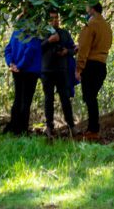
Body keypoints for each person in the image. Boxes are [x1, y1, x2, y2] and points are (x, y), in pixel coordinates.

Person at [75, 1, 113, 140]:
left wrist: (79, 68)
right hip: (102, 65)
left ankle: (93, 129)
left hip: (90, 65)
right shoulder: (107, 26)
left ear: (91, 9)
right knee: (92, 97)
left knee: (89, 97)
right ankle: (93, 128)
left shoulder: (91, 24)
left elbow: (84, 48)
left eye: (87, 8)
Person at [40, 8, 76, 139]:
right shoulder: (42, 33)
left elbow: (74, 48)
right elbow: (37, 49)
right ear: (47, 20)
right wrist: (49, 41)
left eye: (56, 18)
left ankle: (71, 126)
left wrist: (67, 52)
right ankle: (49, 127)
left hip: (62, 71)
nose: (55, 20)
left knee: (65, 98)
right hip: (47, 71)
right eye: (52, 18)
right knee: (48, 99)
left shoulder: (64, 33)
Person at [3, 23, 42, 136]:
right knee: (25, 101)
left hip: (17, 69)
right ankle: (22, 131)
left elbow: (8, 49)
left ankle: (14, 128)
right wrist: (18, 66)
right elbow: (30, 50)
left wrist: (11, 63)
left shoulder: (16, 30)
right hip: (29, 70)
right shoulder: (33, 32)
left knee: (18, 98)